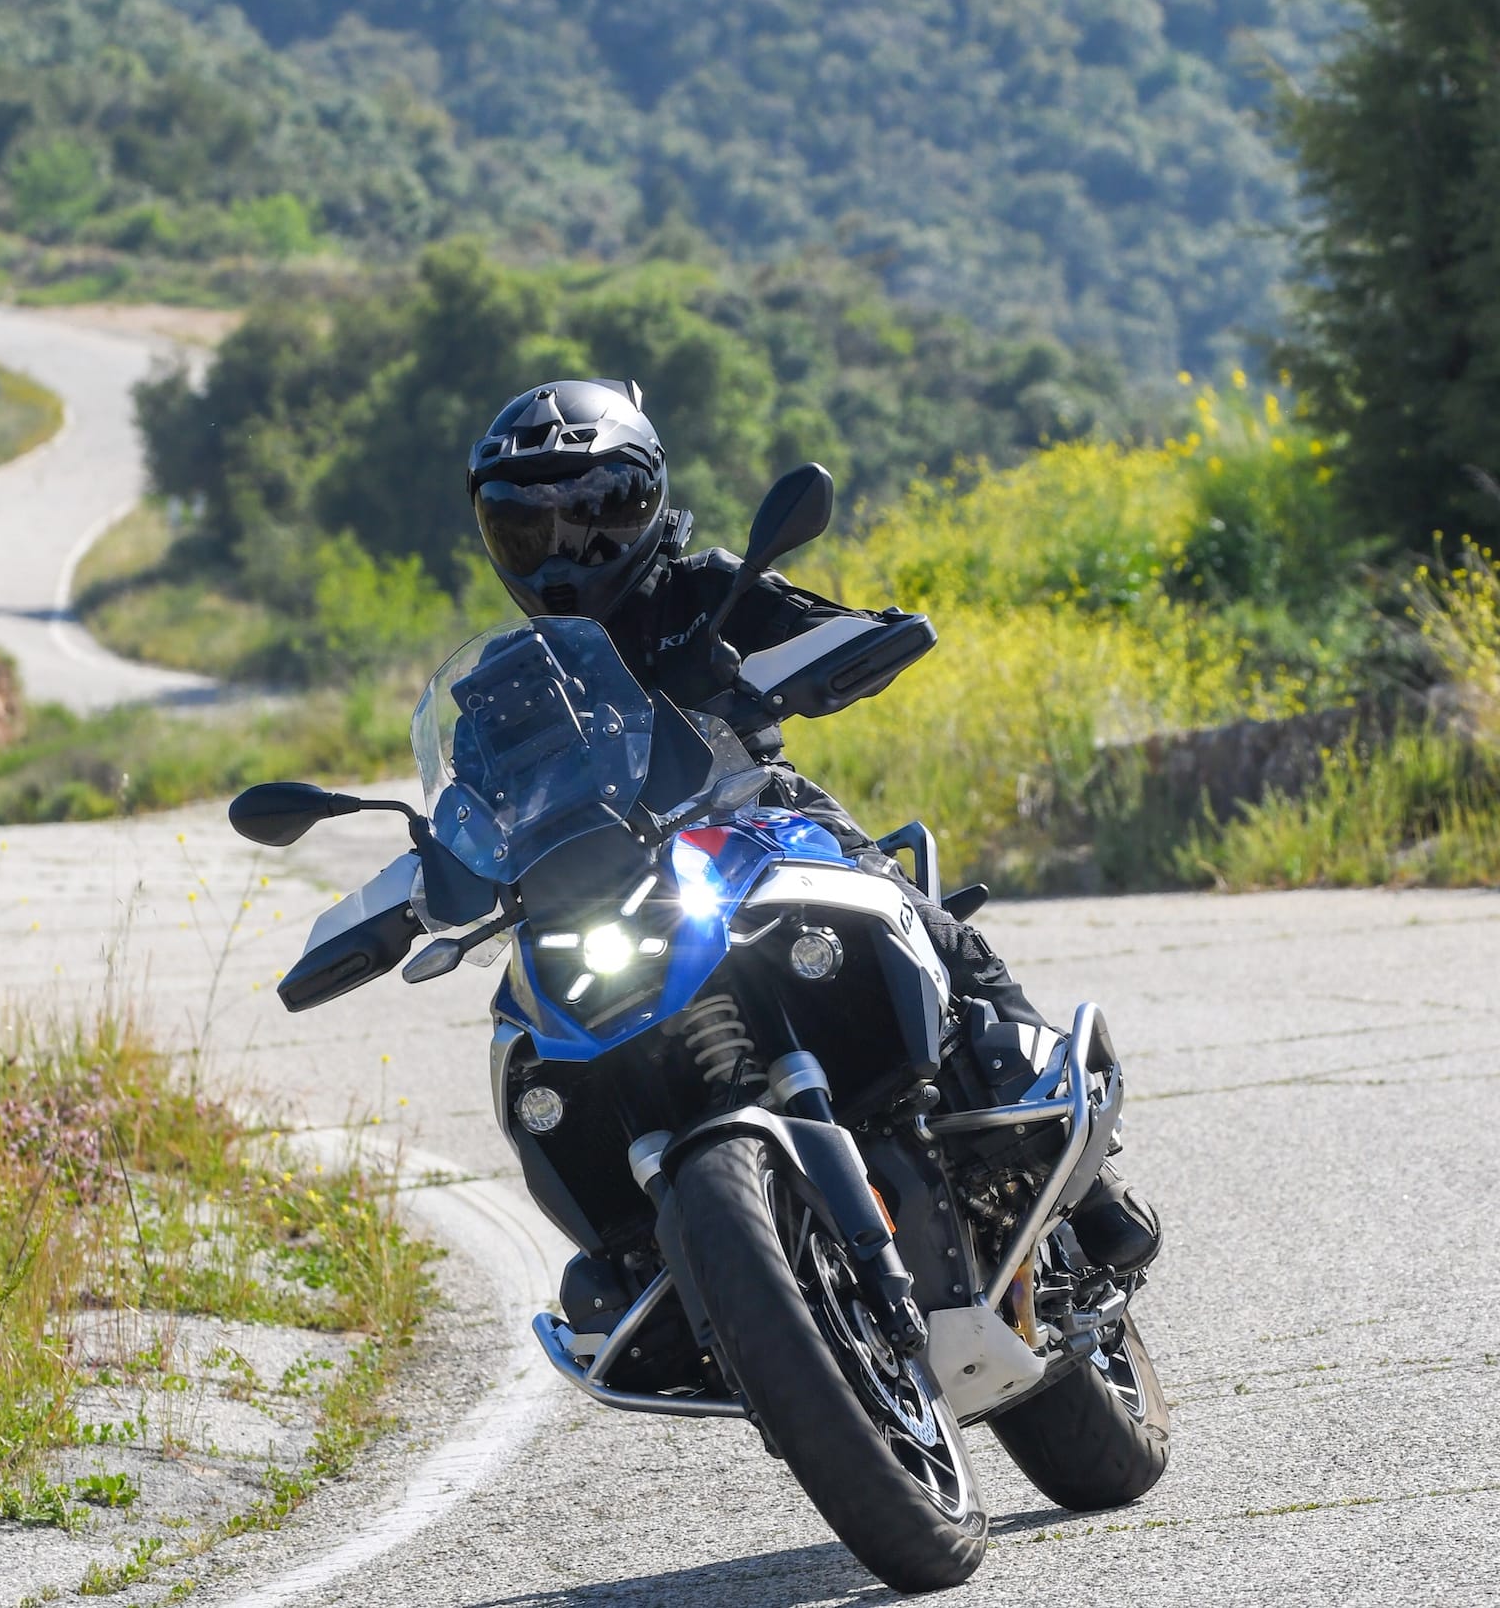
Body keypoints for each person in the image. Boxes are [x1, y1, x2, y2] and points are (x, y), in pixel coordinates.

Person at [466, 378, 1160, 1273]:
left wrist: (826, 655)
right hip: (609, 892)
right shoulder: (503, 683)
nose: (564, 547)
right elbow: (469, 809)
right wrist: (425, 879)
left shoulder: (706, 590)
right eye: (528, 526)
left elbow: (835, 629)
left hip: (761, 824)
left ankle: (1077, 1162)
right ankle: (650, 1266)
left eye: (593, 512)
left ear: (646, 500)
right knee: (552, 1060)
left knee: (930, 926)